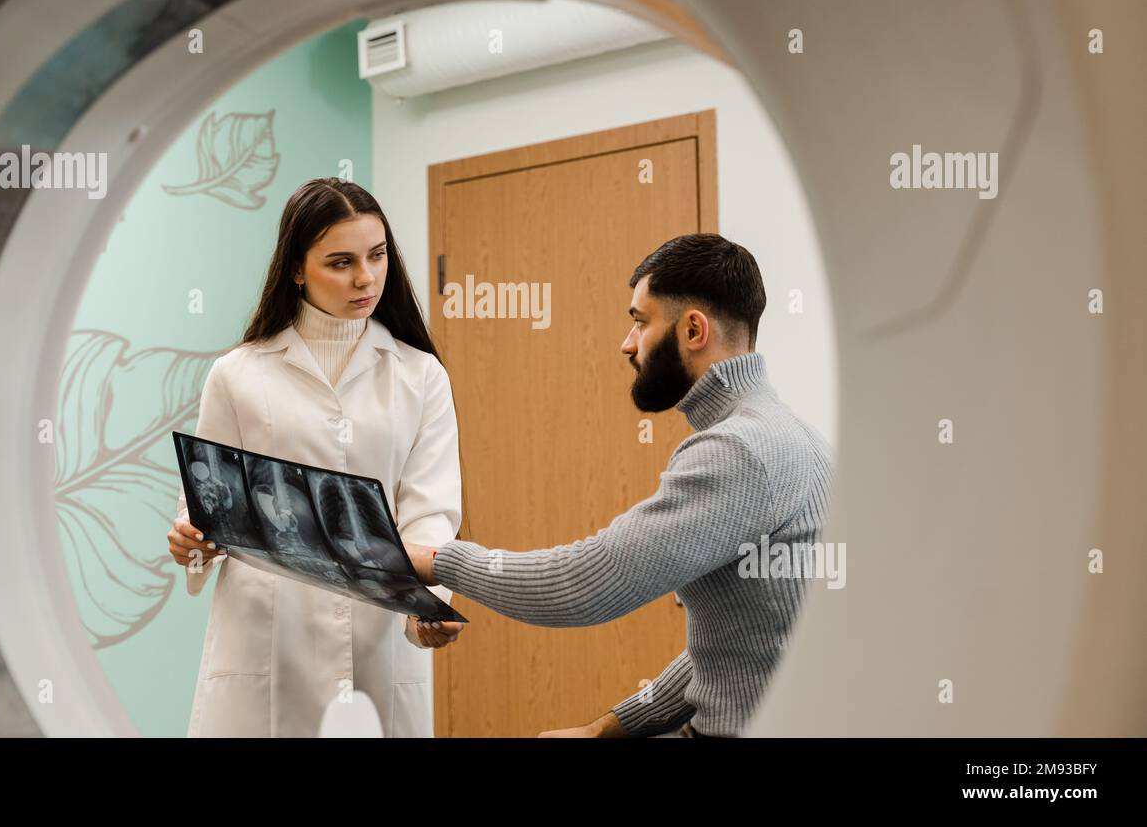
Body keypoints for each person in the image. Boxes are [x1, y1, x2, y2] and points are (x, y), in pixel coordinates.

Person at [404, 233, 833, 738]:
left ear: (693, 329)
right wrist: (609, 728)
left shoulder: (742, 451)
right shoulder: (792, 434)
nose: (626, 344)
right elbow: (734, 647)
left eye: (639, 321)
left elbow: (584, 584)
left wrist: (433, 558)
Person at [166, 177, 465, 737]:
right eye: (340, 262)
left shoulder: (420, 374)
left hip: (378, 637)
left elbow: (431, 510)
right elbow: (204, 502)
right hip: (265, 639)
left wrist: (429, 604)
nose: (365, 277)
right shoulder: (238, 373)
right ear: (297, 270)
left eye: (377, 256)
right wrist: (191, 538)